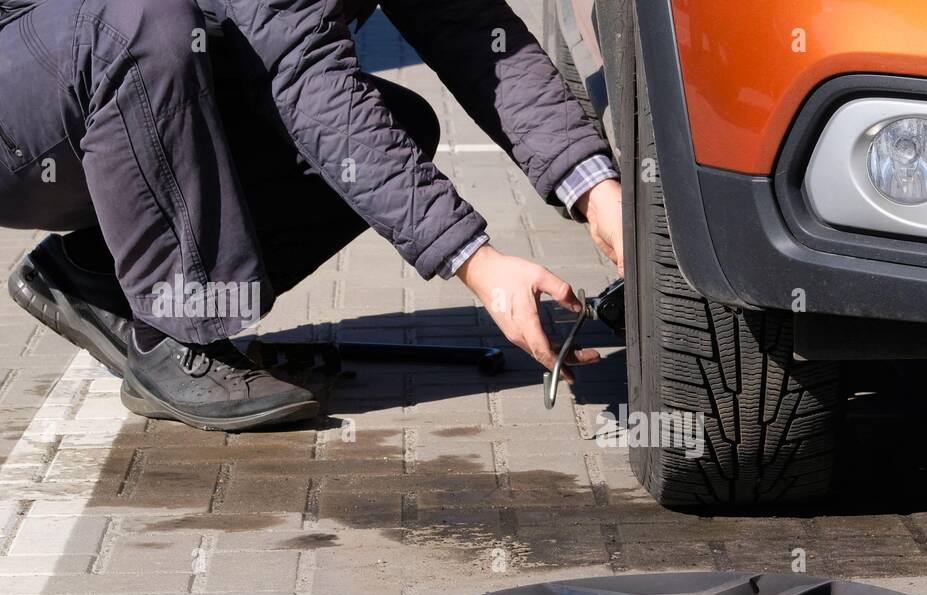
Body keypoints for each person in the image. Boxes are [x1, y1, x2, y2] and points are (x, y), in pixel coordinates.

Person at [0, 0, 622, 430]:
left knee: (398, 126)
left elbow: (472, 28)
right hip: (27, 93)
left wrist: (596, 191)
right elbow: (307, 79)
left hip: (96, 85)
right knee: (142, 25)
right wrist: (478, 264)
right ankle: (175, 329)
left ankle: (96, 273)